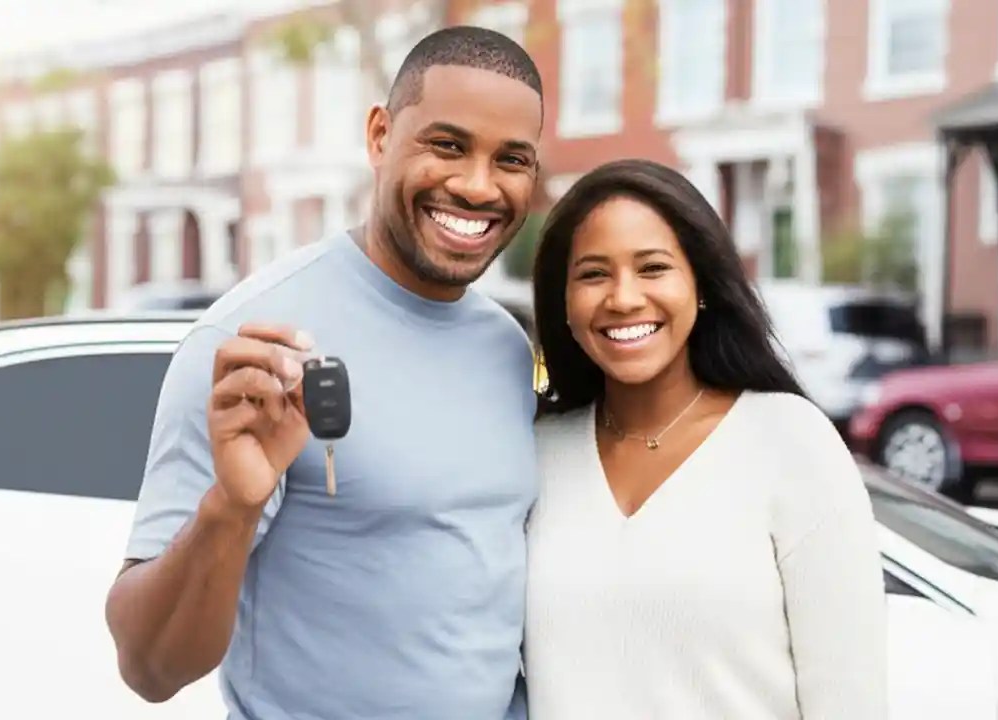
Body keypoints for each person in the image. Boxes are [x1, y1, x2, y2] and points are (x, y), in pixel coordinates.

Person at [104, 26, 544, 720]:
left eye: (511, 159)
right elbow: (149, 666)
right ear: (379, 136)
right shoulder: (248, 344)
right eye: (447, 145)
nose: (476, 185)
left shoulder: (506, 348)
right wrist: (233, 505)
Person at [522, 159, 888, 718]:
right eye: (594, 274)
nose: (623, 298)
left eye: (652, 268)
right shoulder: (537, 453)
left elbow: (849, 698)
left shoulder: (790, 441)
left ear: (701, 286)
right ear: (563, 303)